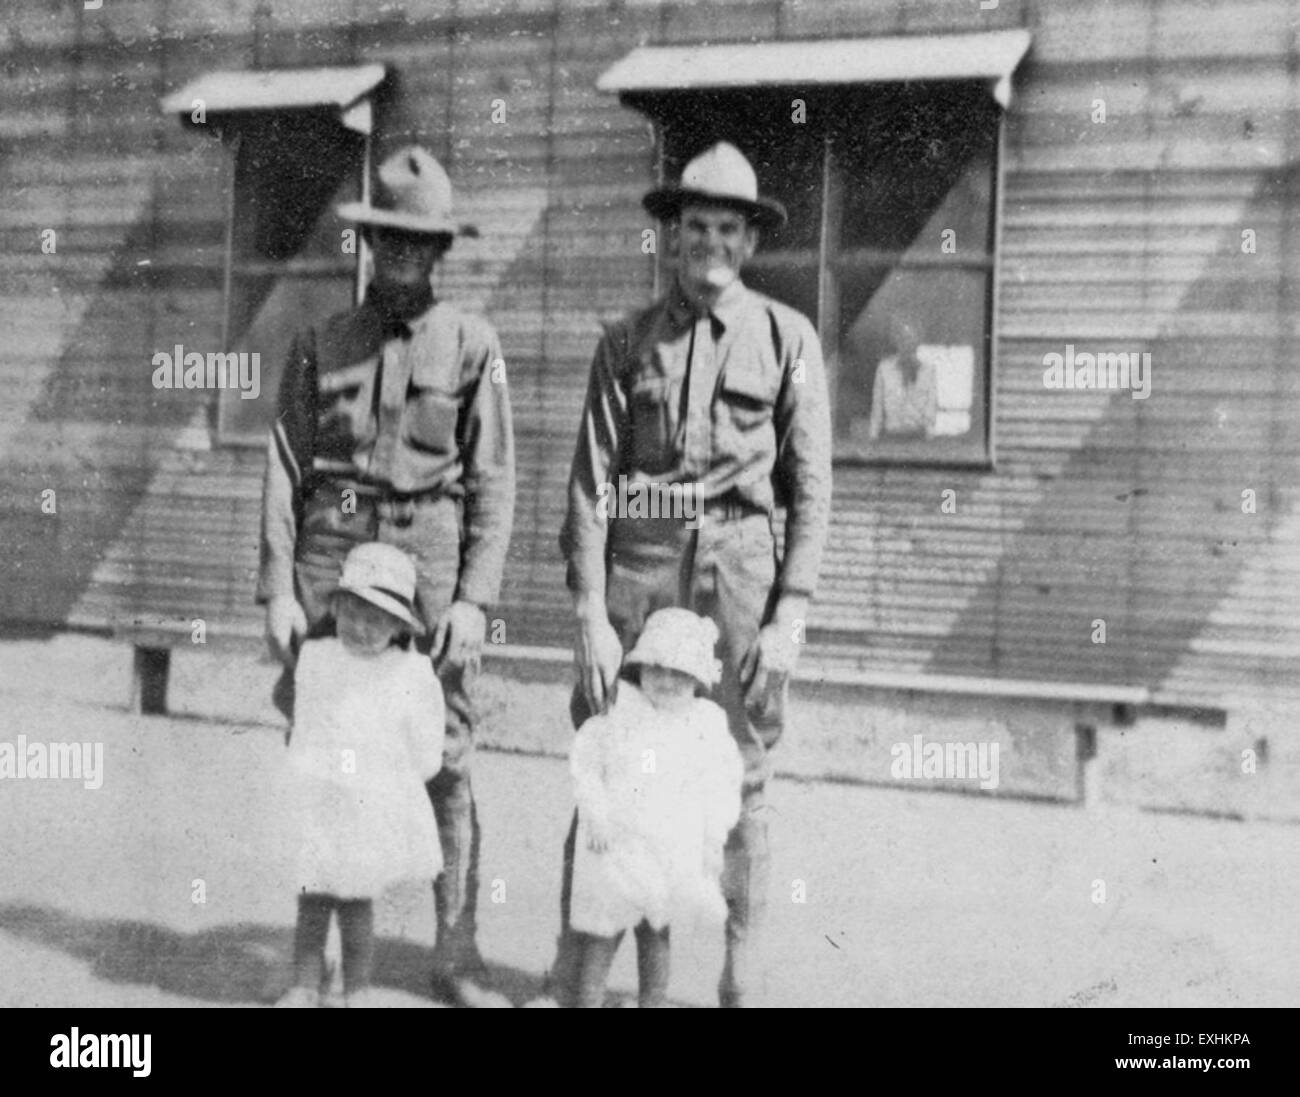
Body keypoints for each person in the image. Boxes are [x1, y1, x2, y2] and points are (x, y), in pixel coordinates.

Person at [548, 141, 833, 1007]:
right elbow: (591, 482)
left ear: (749, 241)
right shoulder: (626, 342)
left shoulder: (790, 340)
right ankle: (580, 970)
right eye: (696, 226)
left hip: (740, 571)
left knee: (744, 771)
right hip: (640, 561)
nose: (712, 242)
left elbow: (812, 484)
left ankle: (741, 969)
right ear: (672, 238)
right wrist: (593, 612)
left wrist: (791, 612)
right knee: (611, 753)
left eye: (729, 228)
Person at [257, 145, 515, 1006]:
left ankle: (455, 951)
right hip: (333, 557)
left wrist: (476, 598)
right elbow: (285, 461)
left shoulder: (474, 346)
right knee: (325, 754)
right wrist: (280, 589)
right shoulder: (321, 341)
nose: (403, 259)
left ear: (440, 251)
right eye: (388, 242)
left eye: (420, 245)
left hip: (430, 568)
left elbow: (495, 480)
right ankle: (311, 966)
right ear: (369, 246)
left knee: (444, 756)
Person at [276, 543, 444, 1009]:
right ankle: (306, 983)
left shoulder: (408, 674)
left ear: (398, 628)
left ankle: (357, 989)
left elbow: (427, 750)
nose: (362, 627)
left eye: (377, 619)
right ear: (336, 608)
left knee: (356, 900)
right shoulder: (319, 657)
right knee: (313, 893)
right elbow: (305, 721)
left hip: (370, 804)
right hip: (320, 795)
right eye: (352, 613)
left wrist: (393, 783)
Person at [569, 608, 743, 1008]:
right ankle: (586, 1001)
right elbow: (586, 762)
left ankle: (654, 1000)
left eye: (680, 674)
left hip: (669, 850)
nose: (666, 681)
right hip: (617, 848)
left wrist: (711, 841)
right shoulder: (620, 713)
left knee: (657, 933)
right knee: (602, 933)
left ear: (698, 680)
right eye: (658, 669)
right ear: (641, 667)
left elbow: (721, 785)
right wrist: (595, 810)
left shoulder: (705, 725)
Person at [867, 316, 937, 441]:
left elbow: (931, 406)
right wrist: (873, 435)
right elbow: (877, 406)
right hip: (890, 437)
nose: (907, 343)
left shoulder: (928, 370)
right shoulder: (884, 369)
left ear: (917, 341)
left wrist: (930, 435)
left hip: (918, 438)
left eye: (911, 338)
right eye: (903, 338)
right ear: (896, 341)